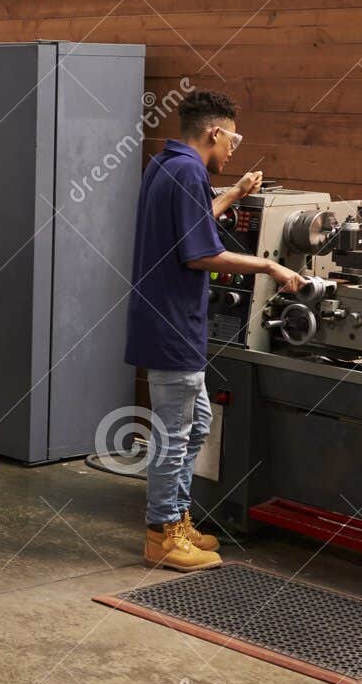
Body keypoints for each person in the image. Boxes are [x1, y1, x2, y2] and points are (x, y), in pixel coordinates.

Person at [126, 90, 302, 571]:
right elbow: (199, 253)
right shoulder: (188, 172)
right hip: (173, 327)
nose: (232, 150)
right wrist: (268, 266)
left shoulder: (166, 164)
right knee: (174, 435)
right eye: (233, 139)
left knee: (196, 421)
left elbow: (193, 226)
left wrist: (237, 194)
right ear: (214, 133)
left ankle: (177, 519)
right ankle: (162, 534)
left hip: (169, 323)